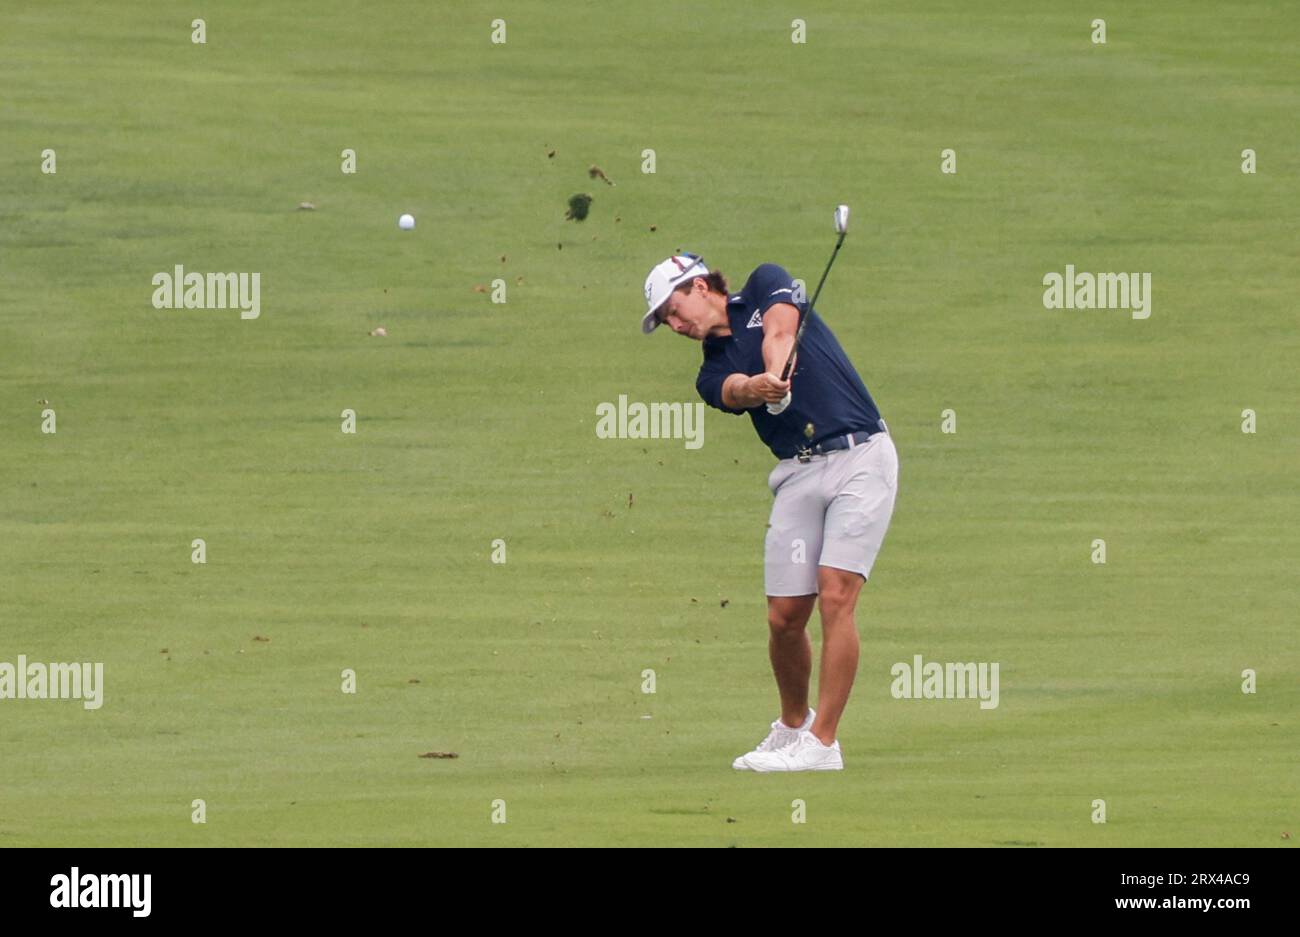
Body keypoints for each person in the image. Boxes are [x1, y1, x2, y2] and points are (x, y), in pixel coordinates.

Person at [640, 253, 899, 772]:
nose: (675, 325)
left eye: (674, 309)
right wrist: (758, 387)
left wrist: (775, 369)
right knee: (783, 618)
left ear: (700, 285)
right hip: (798, 474)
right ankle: (792, 727)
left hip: (861, 457)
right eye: (666, 320)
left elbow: (781, 329)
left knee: (836, 595)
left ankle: (823, 745)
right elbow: (732, 392)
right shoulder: (711, 369)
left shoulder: (765, 283)